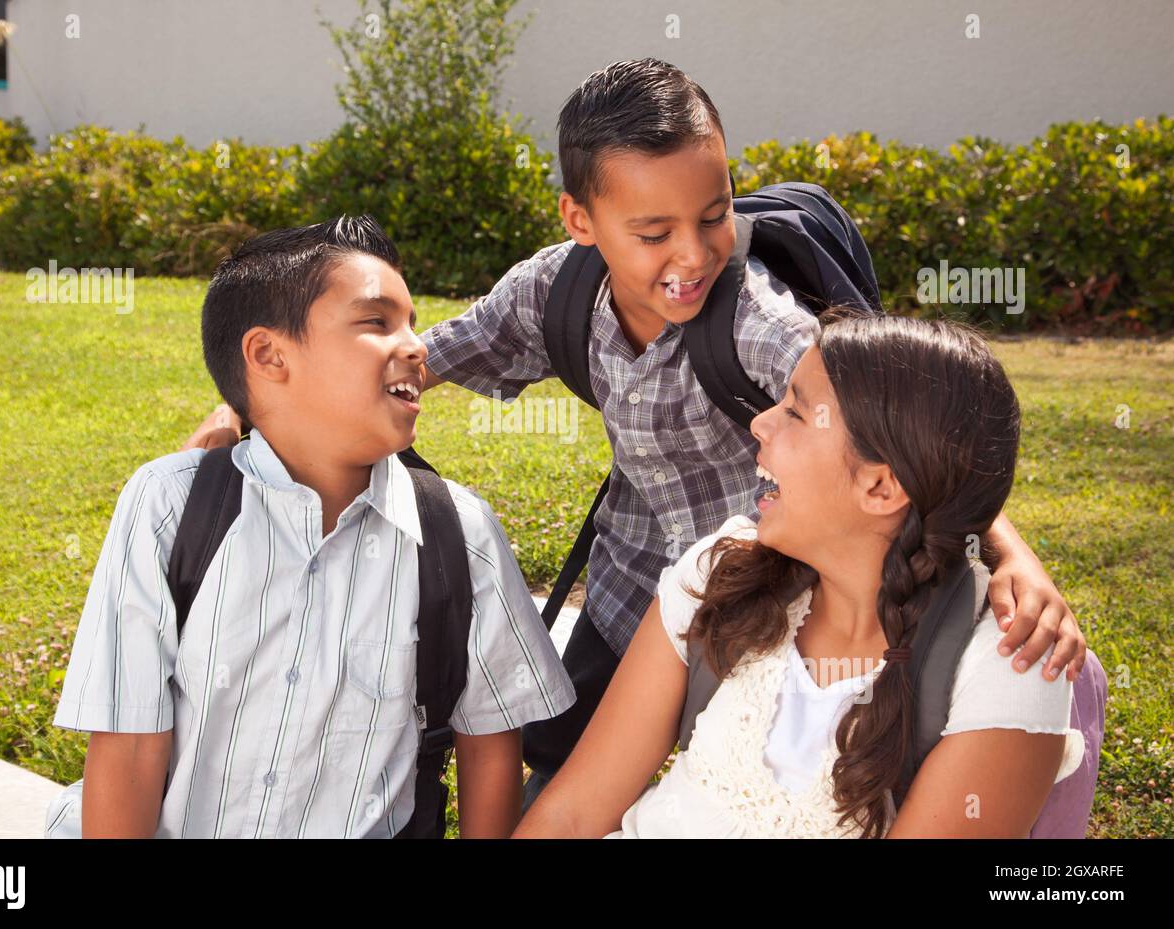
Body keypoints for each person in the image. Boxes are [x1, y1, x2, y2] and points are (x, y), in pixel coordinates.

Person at [183, 59, 1088, 809]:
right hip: (634, 587)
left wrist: (1006, 551)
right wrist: (249, 408)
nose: (692, 256)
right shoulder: (556, 291)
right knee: (562, 778)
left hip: (764, 586)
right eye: (652, 232)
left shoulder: (762, 327)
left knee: (760, 767)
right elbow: (438, 352)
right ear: (581, 223)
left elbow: (897, 443)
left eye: (713, 215)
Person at [46, 216, 575, 838]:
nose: (415, 345)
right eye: (377, 322)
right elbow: (129, 743)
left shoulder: (458, 532)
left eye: (410, 322)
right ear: (269, 355)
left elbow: (489, 741)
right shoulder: (169, 505)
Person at [514, 310, 1086, 838]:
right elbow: (572, 814)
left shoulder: (1007, 664)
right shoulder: (719, 569)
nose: (759, 424)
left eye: (794, 411)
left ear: (881, 486)